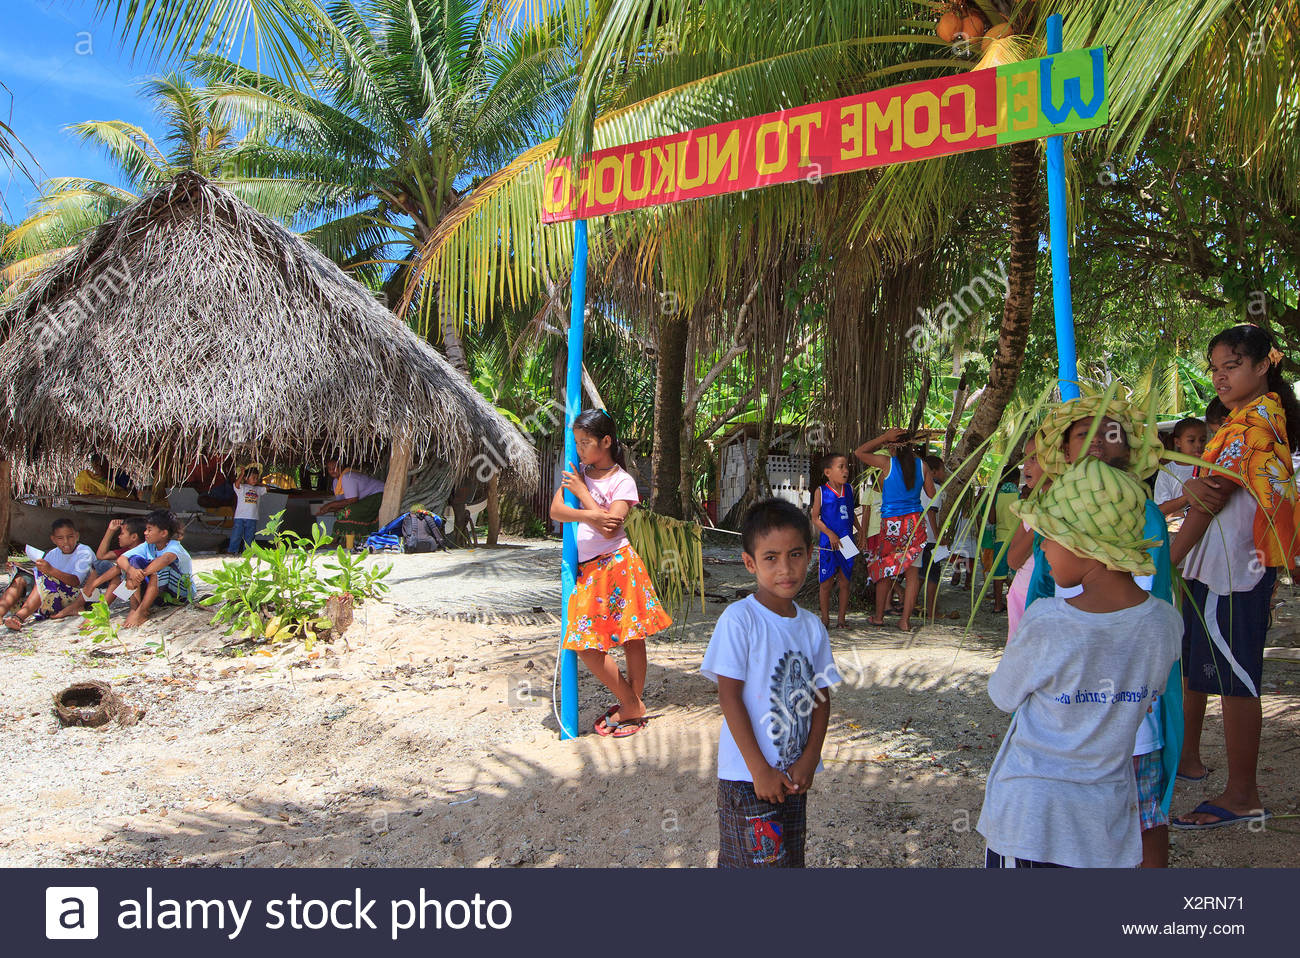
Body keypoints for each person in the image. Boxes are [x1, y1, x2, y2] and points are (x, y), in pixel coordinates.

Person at [978, 457, 1182, 868]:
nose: (1044, 549)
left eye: (1050, 538)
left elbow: (1002, 695)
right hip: (1106, 821)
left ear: (1085, 546)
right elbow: (1150, 692)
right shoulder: (1165, 622)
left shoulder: (1048, 620)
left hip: (1030, 820)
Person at [1026, 393, 1180, 867]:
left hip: (1131, 707)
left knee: (1143, 816)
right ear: (1066, 452)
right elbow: (1039, 592)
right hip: (1067, 700)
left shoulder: (1144, 513)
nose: (1096, 441)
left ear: (1129, 449)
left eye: (1110, 431)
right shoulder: (1049, 514)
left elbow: (1157, 599)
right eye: (1082, 433)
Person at [1169, 325, 1299, 830]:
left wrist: (1168, 561)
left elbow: (1208, 498)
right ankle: (1211, 773)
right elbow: (1201, 494)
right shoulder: (1246, 420)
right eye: (1215, 368)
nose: (1221, 377)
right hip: (1222, 567)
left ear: (1264, 364)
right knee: (1212, 672)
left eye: (1232, 366)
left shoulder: (1254, 425)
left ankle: (1243, 793)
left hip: (1235, 571)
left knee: (1238, 680)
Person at [701, 498, 842, 868]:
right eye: (771, 557)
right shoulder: (739, 620)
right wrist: (759, 769)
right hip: (748, 779)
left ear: (810, 555)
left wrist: (811, 758)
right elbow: (729, 697)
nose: (785, 568)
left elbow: (821, 699)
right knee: (755, 865)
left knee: (790, 862)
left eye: (795, 555)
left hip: (795, 778)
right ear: (750, 563)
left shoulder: (812, 627)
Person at [550, 409, 671, 737]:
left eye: (586, 442)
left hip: (618, 564)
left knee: (632, 637)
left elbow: (610, 528)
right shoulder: (578, 472)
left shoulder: (622, 480)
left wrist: (585, 498)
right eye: (577, 443)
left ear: (606, 441)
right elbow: (557, 511)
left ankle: (632, 705)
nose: (580, 450)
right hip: (590, 571)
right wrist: (593, 514)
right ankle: (631, 703)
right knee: (586, 644)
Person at [854, 429, 935, 630]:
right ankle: (905, 621)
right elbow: (932, 493)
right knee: (913, 575)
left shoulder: (887, 464)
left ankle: (879, 616)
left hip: (891, 525)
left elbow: (859, 452)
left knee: (885, 570)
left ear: (892, 446)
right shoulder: (922, 465)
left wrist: (882, 437)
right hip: (914, 524)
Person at [4, 518, 97, 630]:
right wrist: (17, 567)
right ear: (53, 539)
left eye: (70, 537)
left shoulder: (84, 551)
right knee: (21, 578)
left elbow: (76, 581)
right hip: (52, 593)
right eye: (60, 538)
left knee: (45, 579)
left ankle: (19, 617)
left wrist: (51, 570)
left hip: (75, 595)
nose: (66, 542)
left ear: (77, 536)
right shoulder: (52, 553)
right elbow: (38, 575)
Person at [119, 510, 196, 628]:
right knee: (133, 561)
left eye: (149, 530)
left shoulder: (174, 546)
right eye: (146, 529)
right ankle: (134, 608)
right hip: (158, 594)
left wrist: (141, 574)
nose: (145, 533)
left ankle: (142, 611)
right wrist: (132, 572)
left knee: (160, 568)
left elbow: (165, 559)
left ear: (163, 533)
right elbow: (121, 559)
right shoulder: (148, 545)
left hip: (179, 595)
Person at [810, 452, 859, 629]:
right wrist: (829, 533)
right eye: (841, 467)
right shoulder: (821, 492)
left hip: (847, 541)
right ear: (828, 472)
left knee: (845, 581)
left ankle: (841, 620)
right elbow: (815, 517)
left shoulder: (850, 490)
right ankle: (825, 619)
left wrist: (859, 531)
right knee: (826, 581)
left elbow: (851, 513)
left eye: (847, 467)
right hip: (828, 542)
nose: (845, 471)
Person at [1005, 436, 1045, 638]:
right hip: (1022, 596)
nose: (1026, 466)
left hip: (1046, 601)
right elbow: (1012, 560)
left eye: (1035, 458)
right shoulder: (1031, 509)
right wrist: (1042, 525)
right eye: (1026, 458)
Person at [1154, 418, 1207, 525]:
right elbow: (1161, 509)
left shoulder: (1210, 467)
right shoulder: (1167, 471)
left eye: (1202, 440)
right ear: (1178, 442)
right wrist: (1189, 496)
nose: (1198, 445)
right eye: (1191, 440)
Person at [81, 517, 146, 603]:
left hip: (142, 587)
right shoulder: (126, 550)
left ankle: (101, 609)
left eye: (122, 534)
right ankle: (86, 605)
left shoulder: (141, 551)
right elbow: (101, 556)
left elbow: (119, 567)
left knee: (117, 575)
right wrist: (110, 530)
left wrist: (94, 584)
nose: (119, 537)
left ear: (134, 537)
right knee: (100, 564)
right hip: (131, 586)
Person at [319, 459, 387, 537]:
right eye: (329, 469)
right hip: (365, 498)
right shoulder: (336, 482)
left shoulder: (347, 477)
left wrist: (329, 505)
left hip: (378, 494)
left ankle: (354, 539)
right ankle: (341, 539)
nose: (332, 471)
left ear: (341, 467)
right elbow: (341, 503)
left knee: (349, 513)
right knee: (341, 512)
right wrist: (327, 510)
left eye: (335, 468)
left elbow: (352, 500)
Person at [919, 454, 949, 621]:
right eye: (943, 470)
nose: (944, 474)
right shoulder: (935, 488)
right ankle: (931, 611)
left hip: (920, 537)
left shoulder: (920, 487)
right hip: (930, 538)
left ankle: (909, 605)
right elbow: (931, 513)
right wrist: (938, 536)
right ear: (935, 472)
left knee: (920, 574)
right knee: (933, 576)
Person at [986, 467, 1021, 613]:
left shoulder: (997, 495)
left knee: (998, 573)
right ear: (1017, 479)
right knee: (1018, 573)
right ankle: (1017, 604)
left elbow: (992, 520)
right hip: (1016, 539)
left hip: (1000, 538)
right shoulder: (1021, 495)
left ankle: (997, 605)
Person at [229, 465, 270, 554]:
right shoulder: (242, 488)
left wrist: (258, 482)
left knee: (250, 536)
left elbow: (267, 488)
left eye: (256, 477)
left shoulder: (258, 489)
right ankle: (232, 551)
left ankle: (247, 552)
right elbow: (236, 484)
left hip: (252, 517)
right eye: (253, 477)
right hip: (240, 517)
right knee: (237, 535)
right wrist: (242, 474)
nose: (255, 479)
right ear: (246, 478)